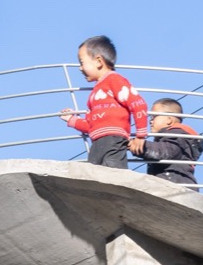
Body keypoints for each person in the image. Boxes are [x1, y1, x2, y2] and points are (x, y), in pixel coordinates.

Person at [59, 36, 147, 168]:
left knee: (114, 175)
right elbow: (91, 126)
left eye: (82, 62)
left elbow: (138, 104)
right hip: (97, 143)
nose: (80, 68)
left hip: (114, 139)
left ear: (98, 61)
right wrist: (72, 120)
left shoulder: (114, 80)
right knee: (94, 178)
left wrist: (140, 136)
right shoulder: (94, 94)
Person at [133, 97, 203, 187]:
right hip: (175, 183)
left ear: (169, 120)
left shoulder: (178, 135)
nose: (150, 121)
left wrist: (140, 145)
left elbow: (165, 151)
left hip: (174, 184)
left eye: (153, 117)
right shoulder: (175, 136)